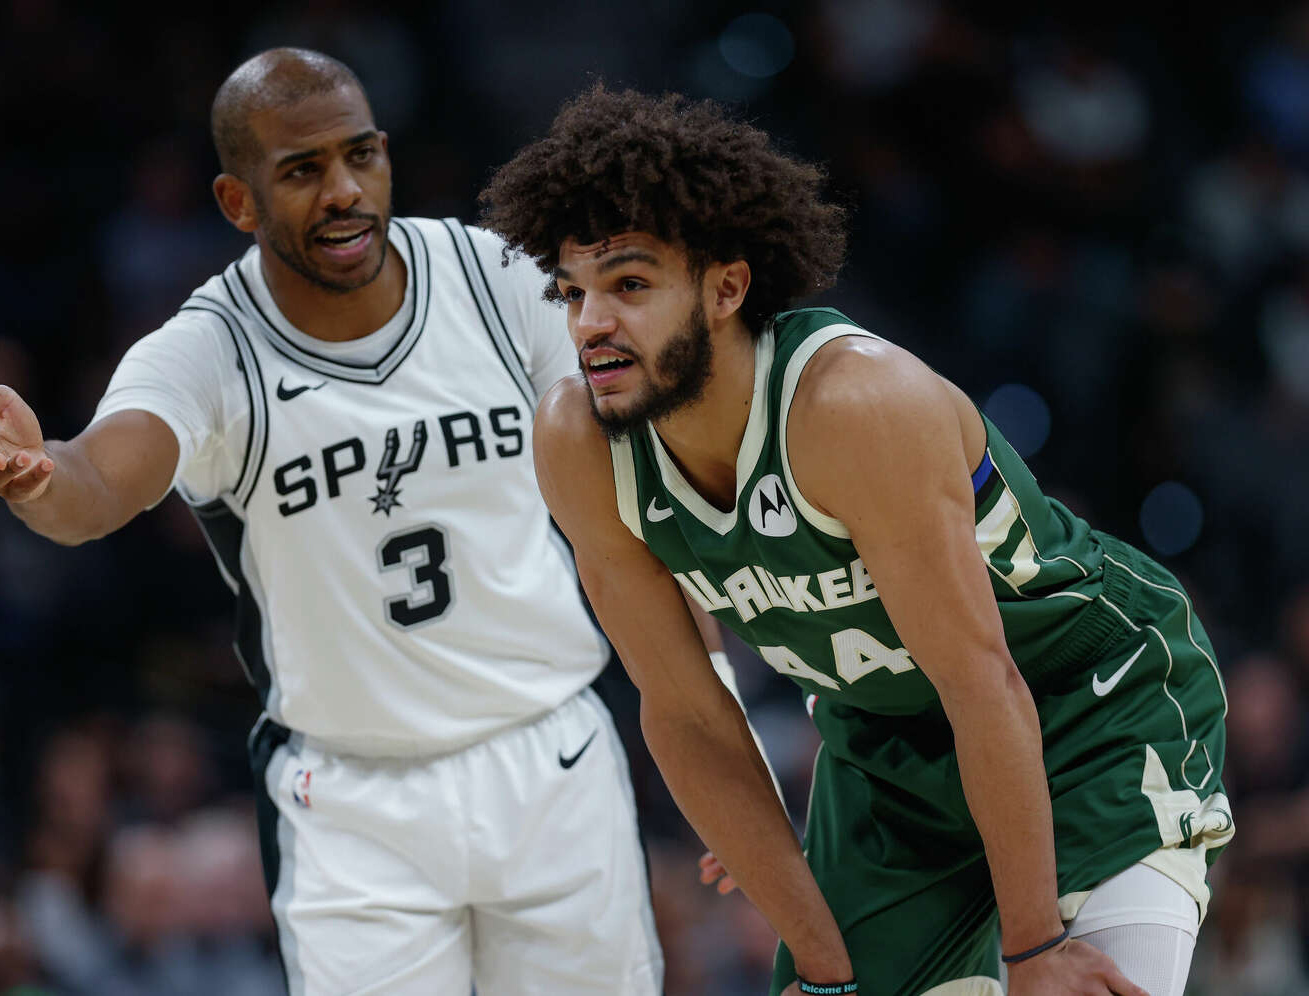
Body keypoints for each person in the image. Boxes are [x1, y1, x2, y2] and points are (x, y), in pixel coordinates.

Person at [0, 50, 669, 995]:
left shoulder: (492, 278)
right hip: (352, 803)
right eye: (301, 171)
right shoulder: (208, 351)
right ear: (238, 202)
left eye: (359, 156)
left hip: (553, 755)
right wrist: (41, 479)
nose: (343, 191)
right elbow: (97, 480)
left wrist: (715, 716)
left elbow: (641, 502)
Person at [480, 85, 1234, 996]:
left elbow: (980, 679)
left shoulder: (853, 405)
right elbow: (684, 711)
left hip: (1084, 706)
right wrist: (824, 969)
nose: (591, 322)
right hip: (885, 753)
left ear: (726, 287)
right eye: (572, 291)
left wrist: (1035, 952)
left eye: (630, 285)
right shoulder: (577, 441)